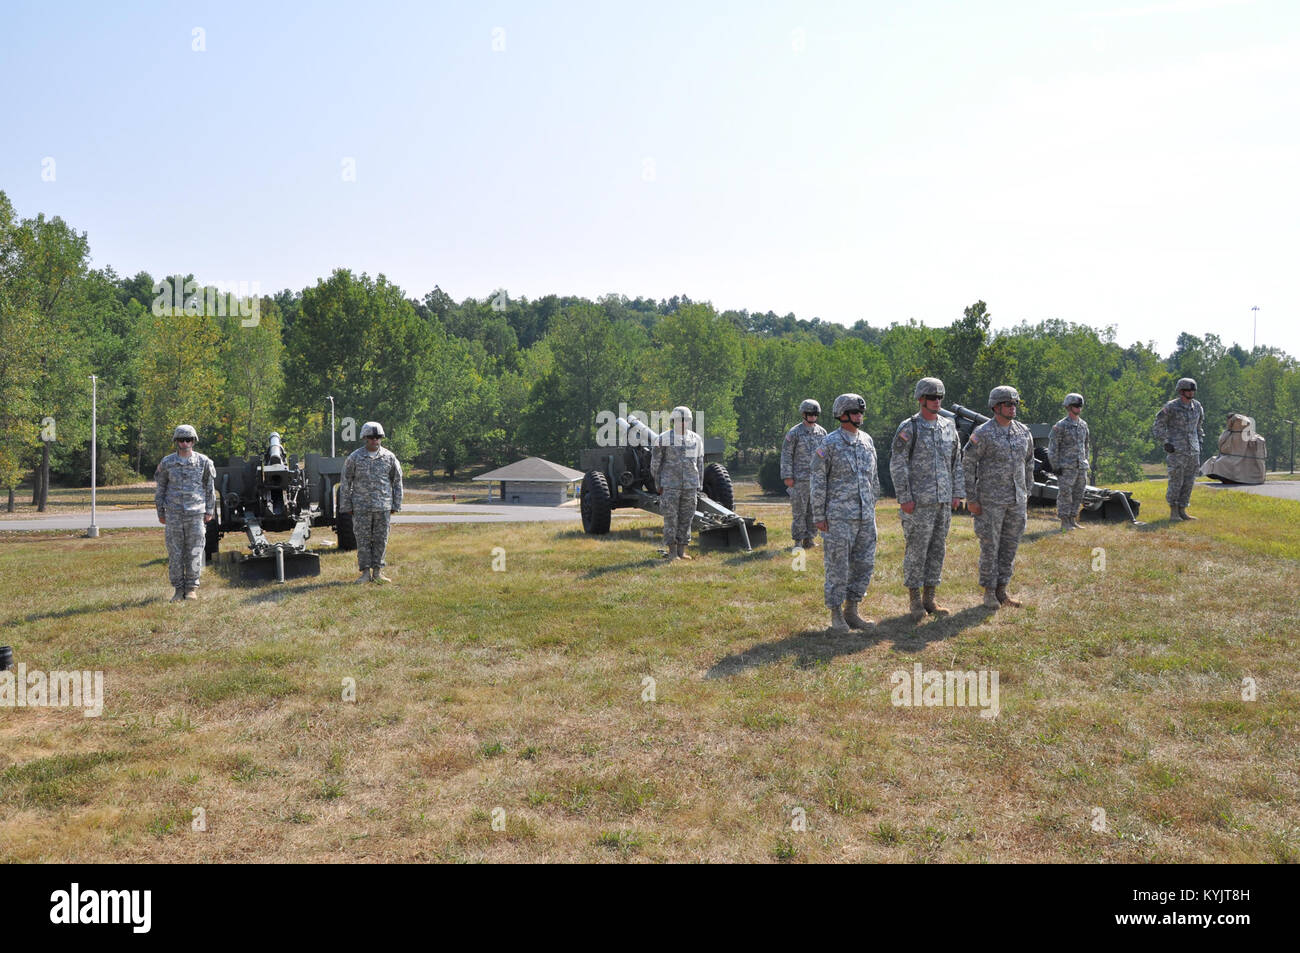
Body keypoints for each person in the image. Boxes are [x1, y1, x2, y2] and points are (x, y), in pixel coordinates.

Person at [889, 377, 965, 622]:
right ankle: (914, 599)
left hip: (942, 501)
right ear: (921, 399)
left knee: (937, 549)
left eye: (940, 397)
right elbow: (898, 464)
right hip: (918, 502)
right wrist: (904, 497)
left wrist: (956, 493)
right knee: (917, 549)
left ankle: (930, 598)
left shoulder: (948, 426)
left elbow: (957, 461)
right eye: (932, 397)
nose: (936, 401)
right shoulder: (909, 427)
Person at [811, 393, 880, 632]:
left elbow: (874, 479)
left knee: (864, 564)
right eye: (854, 411)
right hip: (838, 517)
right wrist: (819, 516)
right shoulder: (830, 443)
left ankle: (852, 611)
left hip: (865, 516)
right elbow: (818, 481)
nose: (859, 414)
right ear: (842, 414)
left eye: (861, 411)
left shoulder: (867, 441)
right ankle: (836, 614)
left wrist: (872, 505)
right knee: (838, 567)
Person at [963, 386, 1035, 609]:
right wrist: (972, 499)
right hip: (990, 502)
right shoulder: (983, 433)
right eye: (1008, 404)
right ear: (995, 407)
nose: (1012, 408)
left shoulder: (1023, 432)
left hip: (1016, 501)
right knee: (990, 547)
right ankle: (989, 592)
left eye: (1014, 404)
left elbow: (1029, 462)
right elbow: (967, 464)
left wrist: (1027, 491)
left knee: (1009, 547)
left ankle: (1003, 591)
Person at [154, 424, 216, 603]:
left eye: (188, 439)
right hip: (173, 514)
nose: (185, 443)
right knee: (175, 552)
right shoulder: (167, 463)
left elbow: (209, 488)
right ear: (176, 441)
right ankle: (178, 589)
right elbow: (161, 488)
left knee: (195, 551)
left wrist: (209, 510)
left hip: (196, 513)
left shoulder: (204, 462)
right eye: (181, 440)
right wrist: (160, 512)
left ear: (194, 441)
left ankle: (191, 588)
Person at [338, 421, 403, 582]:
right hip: (361, 507)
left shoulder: (389, 457)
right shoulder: (354, 458)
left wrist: (395, 505)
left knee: (381, 540)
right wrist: (347, 505)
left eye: (378, 437)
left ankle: (378, 572)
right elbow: (346, 482)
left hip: (383, 506)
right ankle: (365, 573)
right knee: (363, 540)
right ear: (365, 438)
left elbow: (397, 482)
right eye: (371, 437)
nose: (375, 440)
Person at [651, 406, 704, 561]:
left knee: (686, 519)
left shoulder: (695, 439)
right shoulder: (663, 439)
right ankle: (672, 551)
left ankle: (682, 550)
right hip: (670, 486)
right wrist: (659, 484)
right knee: (671, 519)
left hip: (690, 486)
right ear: (673, 420)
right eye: (680, 420)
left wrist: (699, 485)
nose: (683, 423)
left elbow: (699, 463)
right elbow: (655, 465)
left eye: (686, 420)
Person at [1152, 377, 1206, 521]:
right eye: (1189, 390)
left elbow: (1199, 427)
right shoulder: (1171, 407)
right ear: (1181, 391)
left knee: (1189, 480)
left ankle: (1183, 510)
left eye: (1193, 390)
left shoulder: (1197, 407)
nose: (1192, 392)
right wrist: (1166, 441)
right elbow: (1158, 425)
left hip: (1193, 451)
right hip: (1176, 450)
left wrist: (1199, 442)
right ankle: (1174, 511)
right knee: (1176, 480)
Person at [780, 399, 827, 549]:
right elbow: (786, 455)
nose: (812, 416)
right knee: (799, 511)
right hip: (799, 479)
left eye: (815, 414)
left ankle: (810, 539)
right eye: (809, 414)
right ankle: (798, 540)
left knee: (814, 510)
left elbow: (826, 455)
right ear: (803, 414)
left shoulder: (822, 433)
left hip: (817, 479)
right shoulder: (794, 433)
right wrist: (787, 476)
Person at [1048, 393, 1091, 531]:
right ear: (1068, 407)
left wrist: (1086, 461)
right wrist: (1055, 466)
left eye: (1080, 406)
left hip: (1080, 467)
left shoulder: (1083, 425)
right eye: (1075, 406)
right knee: (1065, 495)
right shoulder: (1060, 426)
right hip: (1066, 467)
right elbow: (1053, 448)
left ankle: (1073, 519)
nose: (1078, 408)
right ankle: (1064, 521)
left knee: (1079, 493)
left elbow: (1086, 445)